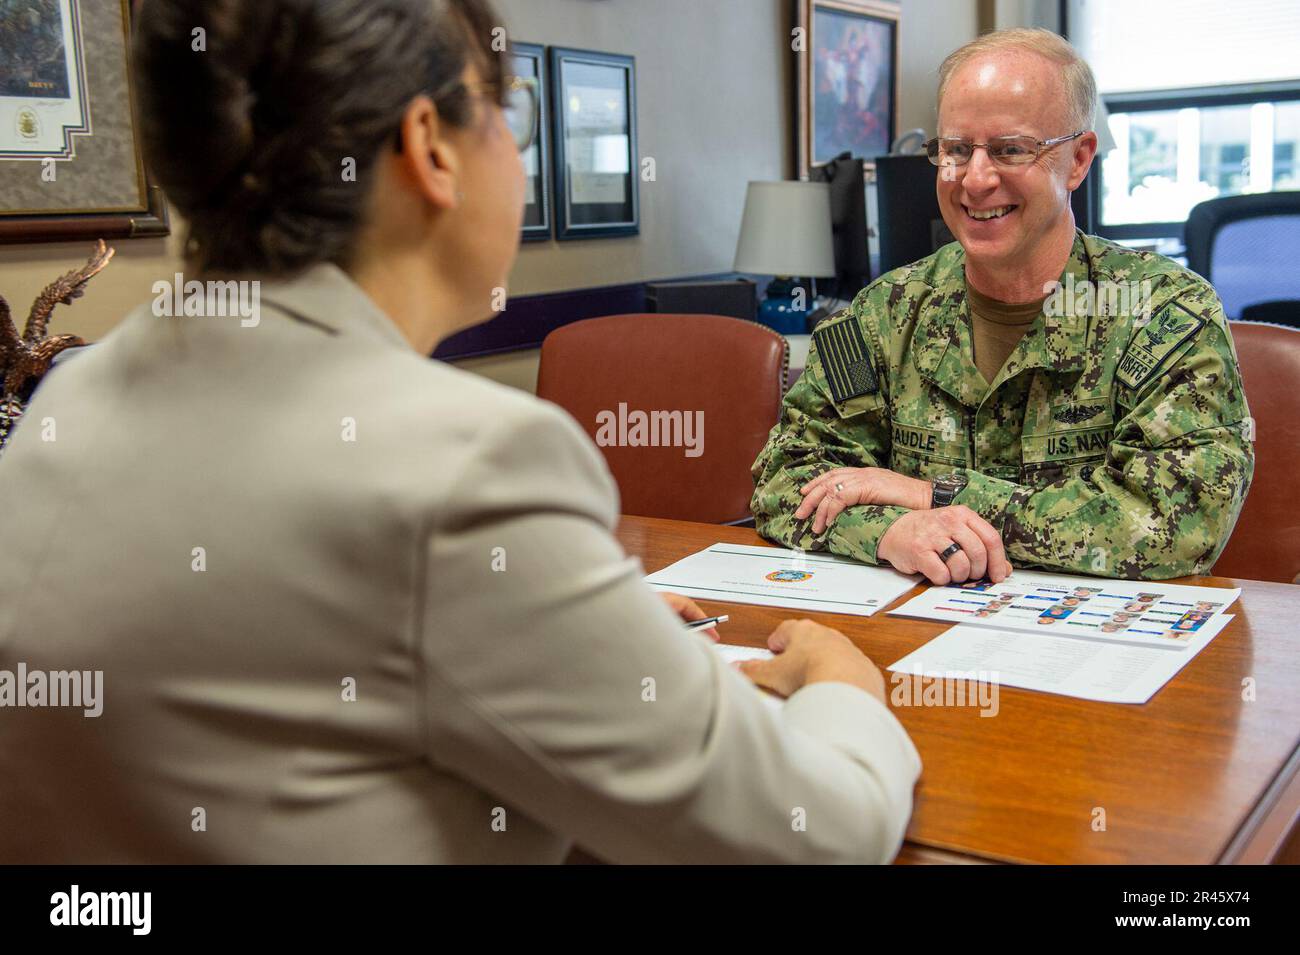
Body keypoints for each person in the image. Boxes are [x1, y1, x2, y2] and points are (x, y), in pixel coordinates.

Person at [0, 0, 919, 863]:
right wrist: (844, 683)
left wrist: (576, 624)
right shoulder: (468, 465)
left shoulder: (69, 402)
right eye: (506, 115)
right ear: (429, 146)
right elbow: (813, 834)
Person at [752, 28, 1253, 584]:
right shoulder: (882, 313)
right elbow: (785, 480)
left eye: (1012, 149)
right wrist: (890, 532)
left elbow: (1175, 528)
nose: (976, 179)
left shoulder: (1163, 314)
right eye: (956, 150)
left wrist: (932, 495)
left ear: (1079, 159)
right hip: (913, 633)